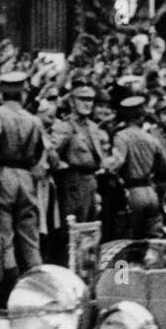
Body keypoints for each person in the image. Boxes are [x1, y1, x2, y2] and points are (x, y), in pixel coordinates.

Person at [0, 69, 46, 277]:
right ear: (23, 94)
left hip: (4, 173)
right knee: (30, 236)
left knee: (5, 234)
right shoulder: (34, 119)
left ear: (1, 93)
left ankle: (9, 285)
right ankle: (39, 279)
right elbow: (45, 150)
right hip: (26, 176)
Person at [106, 95, 166, 238]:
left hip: (132, 193)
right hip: (151, 193)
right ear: (141, 118)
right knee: (154, 238)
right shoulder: (152, 139)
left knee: (128, 239)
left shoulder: (121, 137)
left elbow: (117, 164)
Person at [52, 83, 107, 227]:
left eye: (90, 100)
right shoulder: (65, 126)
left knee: (92, 228)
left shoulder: (94, 127)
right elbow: (51, 151)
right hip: (73, 183)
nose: (87, 103)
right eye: (82, 99)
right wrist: (58, 164)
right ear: (71, 101)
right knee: (74, 228)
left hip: (92, 181)